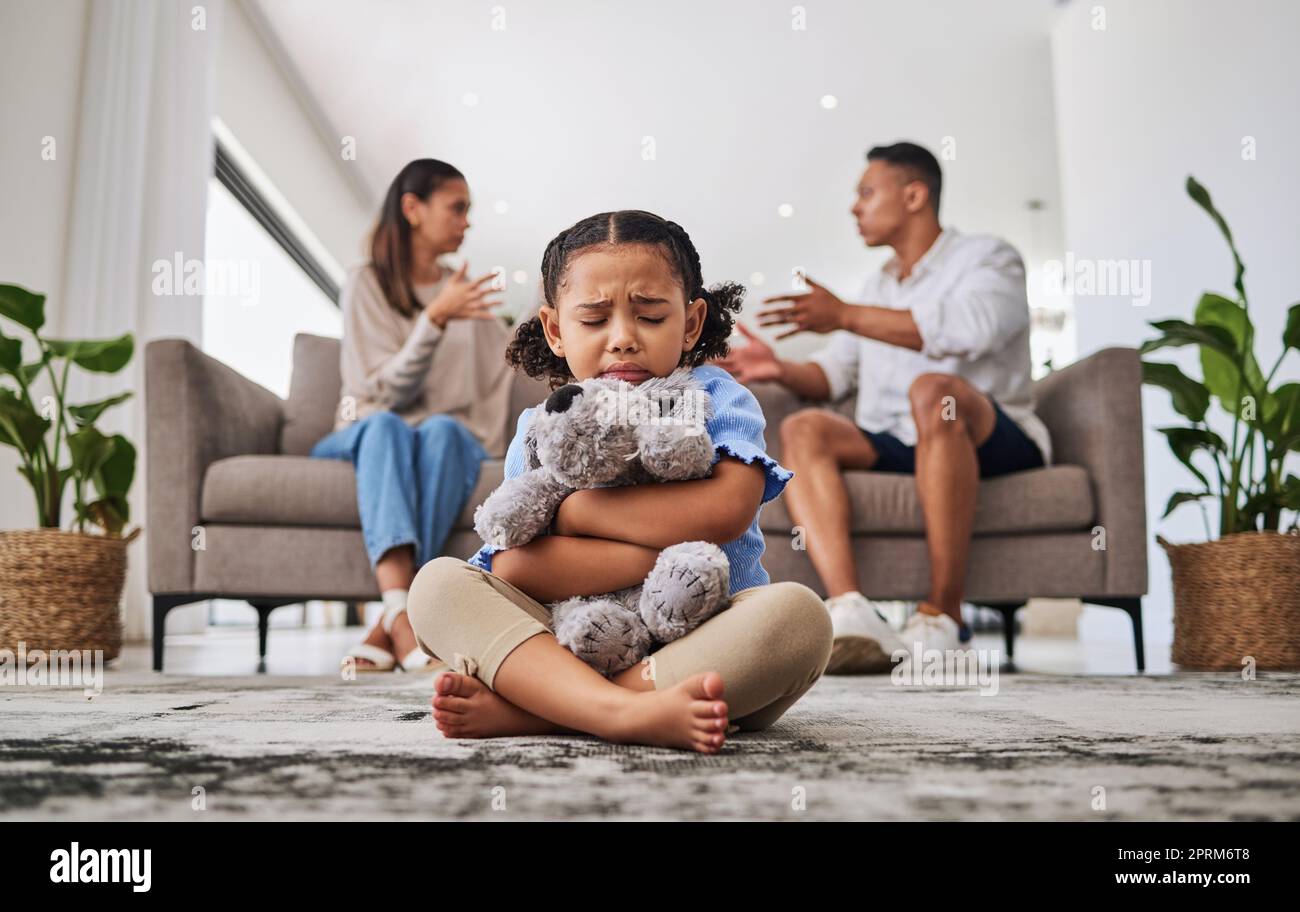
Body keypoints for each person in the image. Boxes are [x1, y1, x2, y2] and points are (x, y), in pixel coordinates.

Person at [405, 209, 832, 753]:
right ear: (555, 329)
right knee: (437, 585)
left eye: (651, 317)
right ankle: (624, 711)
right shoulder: (543, 428)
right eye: (594, 320)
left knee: (799, 619)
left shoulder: (713, 396)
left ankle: (551, 708)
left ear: (692, 322)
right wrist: (658, 538)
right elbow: (515, 568)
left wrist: (575, 514)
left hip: (701, 634)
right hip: (570, 631)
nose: (623, 339)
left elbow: (726, 511)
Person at [715, 141, 1050, 673]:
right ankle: (851, 609)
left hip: (991, 438)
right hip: (901, 441)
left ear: (914, 194)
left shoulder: (988, 258)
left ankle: (944, 616)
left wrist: (845, 314)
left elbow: (970, 331)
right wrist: (777, 368)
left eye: (867, 193)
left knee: (932, 392)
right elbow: (832, 374)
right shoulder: (876, 287)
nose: (855, 207)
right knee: (806, 428)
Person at [309, 158, 513, 672]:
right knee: (385, 424)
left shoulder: (463, 293)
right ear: (412, 209)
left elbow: (507, 362)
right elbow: (380, 391)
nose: (467, 221)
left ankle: (394, 619)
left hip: (435, 438)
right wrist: (434, 319)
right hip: (366, 430)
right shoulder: (366, 283)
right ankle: (409, 620)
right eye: (457, 208)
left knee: (446, 430)